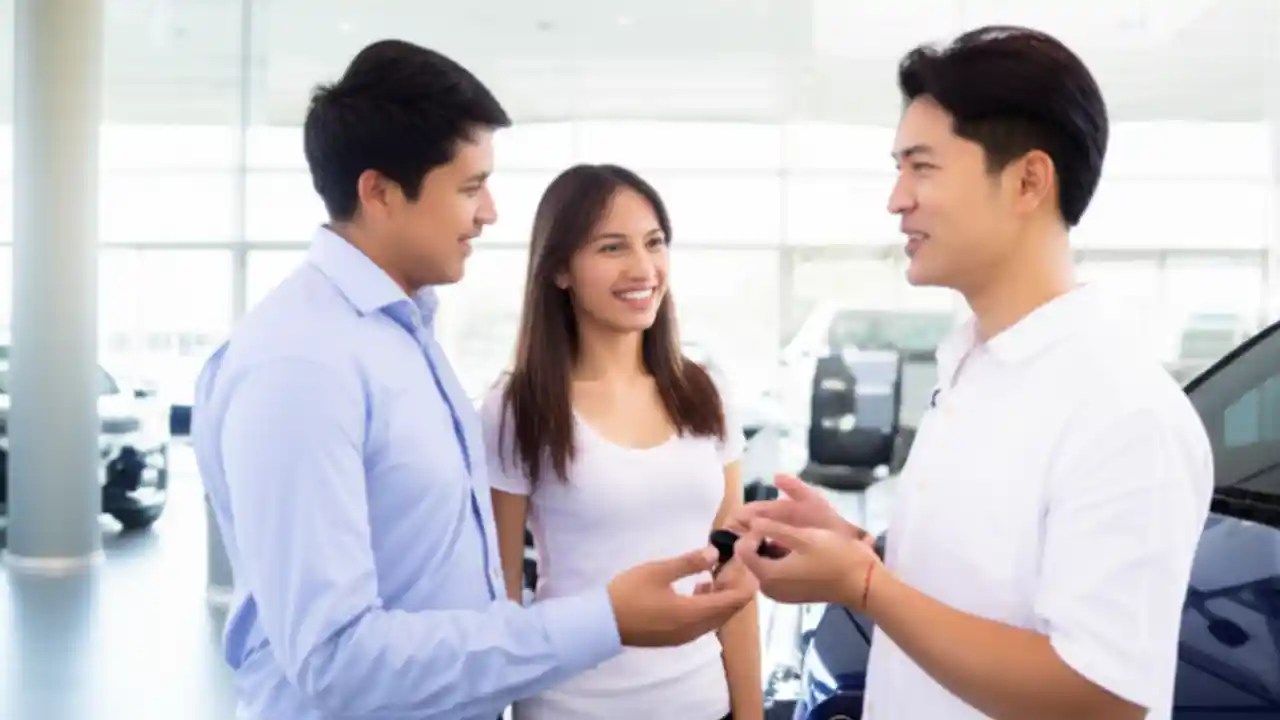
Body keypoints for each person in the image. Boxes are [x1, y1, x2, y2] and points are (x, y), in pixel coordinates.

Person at [190, 40, 755, 720]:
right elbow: (332, 659)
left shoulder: (401, 338)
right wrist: (604, 620)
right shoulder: (299, 365)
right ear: (379, 192)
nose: (488, 211)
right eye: (468, 187)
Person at [730, 25, 1213, 720]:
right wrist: (858, 551)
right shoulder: (972, 367)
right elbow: (982, 590)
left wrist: (865, 585)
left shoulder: (1124, 409)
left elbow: (1100, 697)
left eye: (922, 168)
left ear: (1028, 181)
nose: (897, 199)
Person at [480, 164, 762, 720]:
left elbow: (735, 578)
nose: (643, 268)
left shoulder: (704, 392)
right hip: (571, 707)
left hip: (702, 704)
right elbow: (501, 602)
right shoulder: (517, 407)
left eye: (653, 243)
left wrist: (751, 715)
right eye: (612, 247)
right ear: (559, 269)